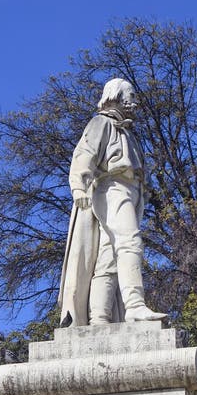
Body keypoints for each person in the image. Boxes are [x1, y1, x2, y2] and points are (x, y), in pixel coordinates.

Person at [58, 78, 168, 326]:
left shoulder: (129, 133)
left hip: (132, 192)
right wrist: (78, 187)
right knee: (130, 243)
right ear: (115, 95)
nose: (134, 100)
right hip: (112, 187)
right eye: (129, 94)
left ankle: (99, 319)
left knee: (108, 260)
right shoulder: (102, 123)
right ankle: (135, 306)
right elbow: (84, 155)